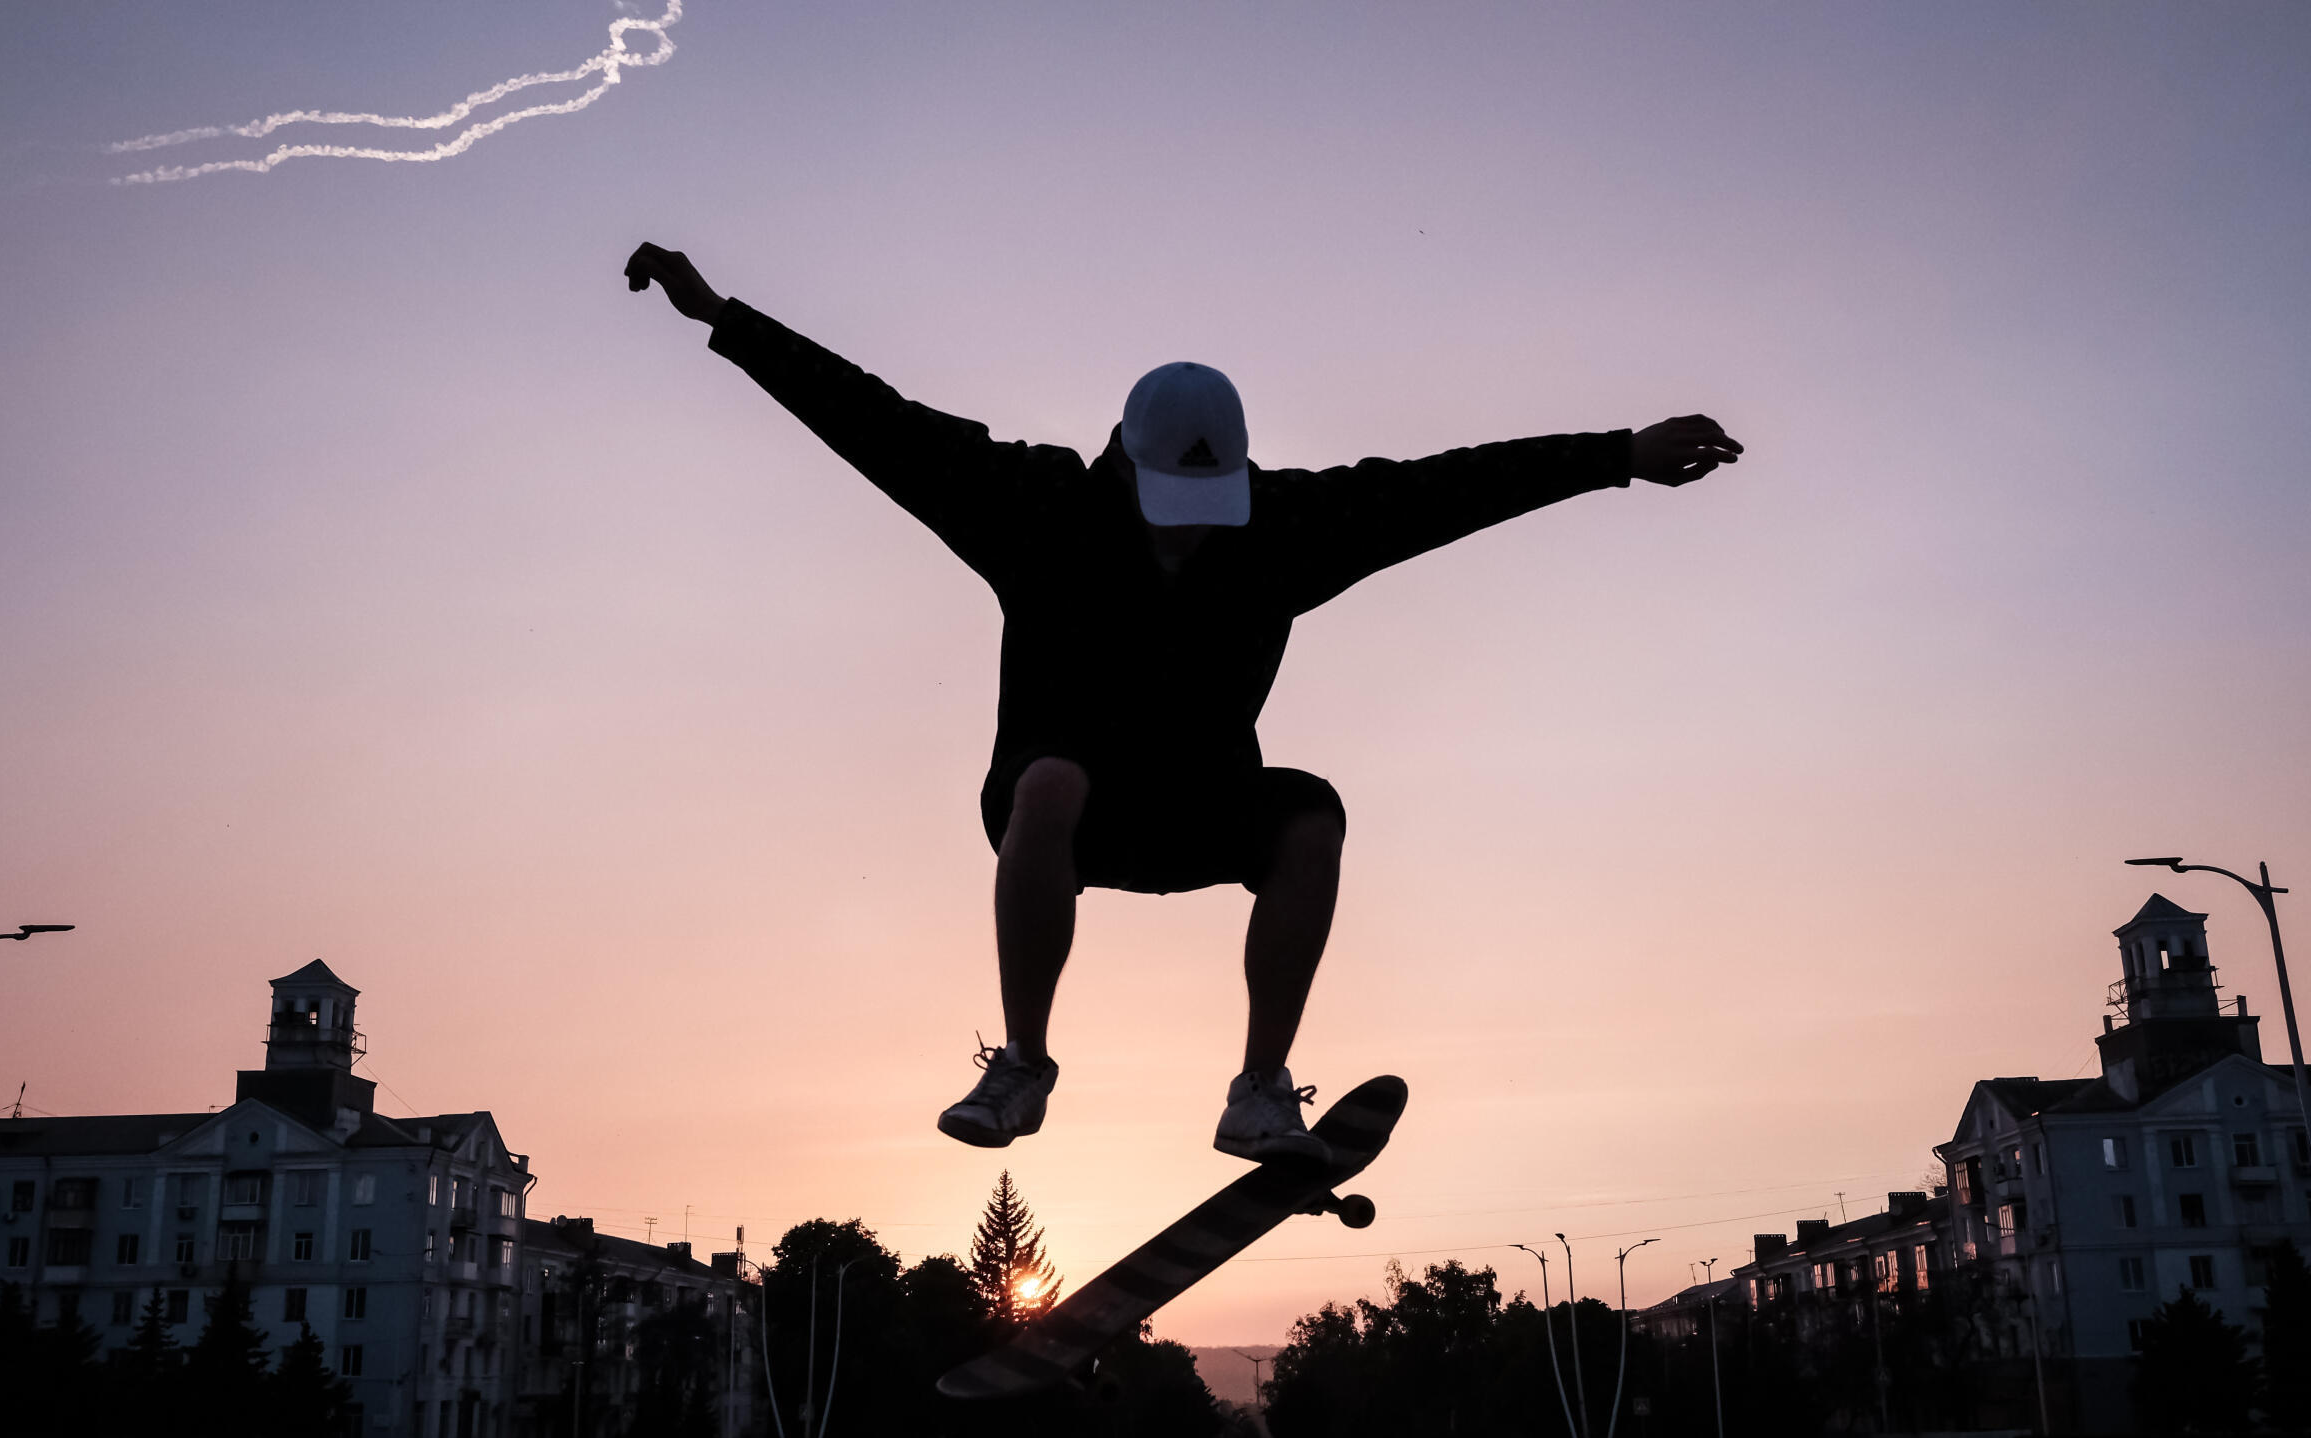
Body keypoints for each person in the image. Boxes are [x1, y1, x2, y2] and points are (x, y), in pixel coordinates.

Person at [626, 241, 1740, 1165]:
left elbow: (1442, 489)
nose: (1187, 528)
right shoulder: (1031, 505)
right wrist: (720, 316)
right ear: (1119, 463)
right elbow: (875, 420)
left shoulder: (1284, 523)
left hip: (1204, 805)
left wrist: (1614, 457)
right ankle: (1021, 1068)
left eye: (1205, 506)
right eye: (1168, 505)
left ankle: (1259, 1092)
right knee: (1053, 775)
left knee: (1311, 811)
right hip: (1056, 819)